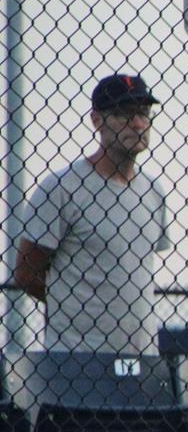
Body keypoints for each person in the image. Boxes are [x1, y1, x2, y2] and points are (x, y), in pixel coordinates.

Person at [11, 74, 172, 356]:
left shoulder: (152, 191)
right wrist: (75, 310)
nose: (136, 124)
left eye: (143, 114)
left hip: (143, 357)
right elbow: (26, 273)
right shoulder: (62, 188)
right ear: (97, 120)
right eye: (122, 115)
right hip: (78, 358)